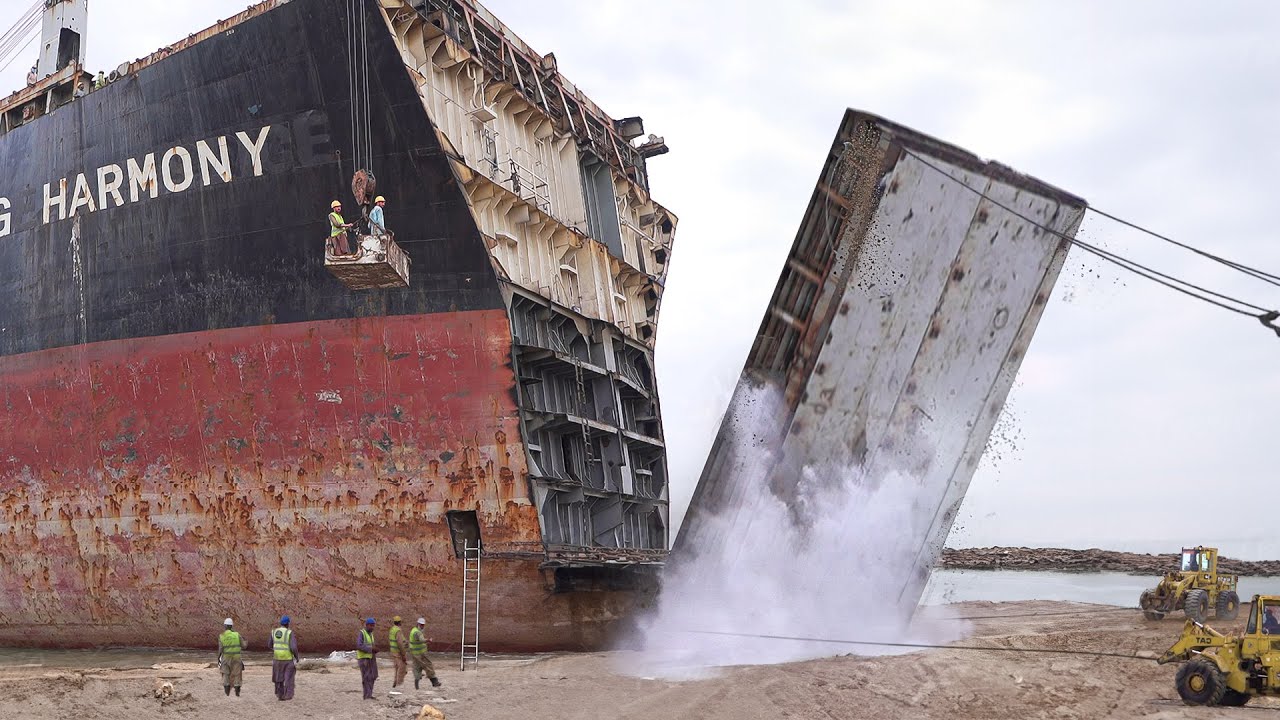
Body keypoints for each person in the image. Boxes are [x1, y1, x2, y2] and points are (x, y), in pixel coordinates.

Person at [271, 616, 299, 701]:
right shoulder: (289, 633)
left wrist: (276, 650)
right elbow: (293, 647)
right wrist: (296, 657)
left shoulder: (274, 632)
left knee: (278, 677)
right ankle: (288, 695)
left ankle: (280, 694)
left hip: (276, 659)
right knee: (289, 677)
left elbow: (269, 644)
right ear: (288, 624)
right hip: (287, 659)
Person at [408, 617, 441, 689]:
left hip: (415, 653)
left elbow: (417, 642)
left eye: (423, 625)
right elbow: (421, 639)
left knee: (417, 668)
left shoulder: (414, 630)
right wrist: (428, 640)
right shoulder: (417, 632)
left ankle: (416, 686)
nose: (423, 626)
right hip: (420, 654)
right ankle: (434, 682)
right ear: (418, 624)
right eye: (421, 625)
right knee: (428, 666)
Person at [217, 617, 246, 697]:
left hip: (226, 658)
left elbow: (220, 649)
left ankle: (227, 692)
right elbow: (244, 646)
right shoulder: (237, 635)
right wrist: (245, 640)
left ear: (225, 626)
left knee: (226, 674)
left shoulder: (222, 636)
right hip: (236, 658)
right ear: (231, 626)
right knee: (237, 675)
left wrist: (218, 658)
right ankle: (237, 692)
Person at [357, 617, 379, 700]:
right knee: (366, 678)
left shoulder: (371, 634)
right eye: (371, 626)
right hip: (364, 659)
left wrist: (375, 650)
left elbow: (371, 645)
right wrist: (371, 649)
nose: (372, 627)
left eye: (373, 626)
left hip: (371, 658)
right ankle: (367, 696)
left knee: (373, 676)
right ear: (367, 625)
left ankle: (369, 694)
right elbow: (359, 646)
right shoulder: (362, 633)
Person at [388, 615, 409, 690]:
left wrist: (406, 642)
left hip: (393, 651)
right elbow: (400, 643)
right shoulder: (398, 630)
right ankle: (399, 684)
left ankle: (395, 682)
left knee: (397, 668)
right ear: (400, 622)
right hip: (398, 652)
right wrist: (403, 654)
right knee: (402, 668)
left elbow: (400, 640)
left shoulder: (392, 629)